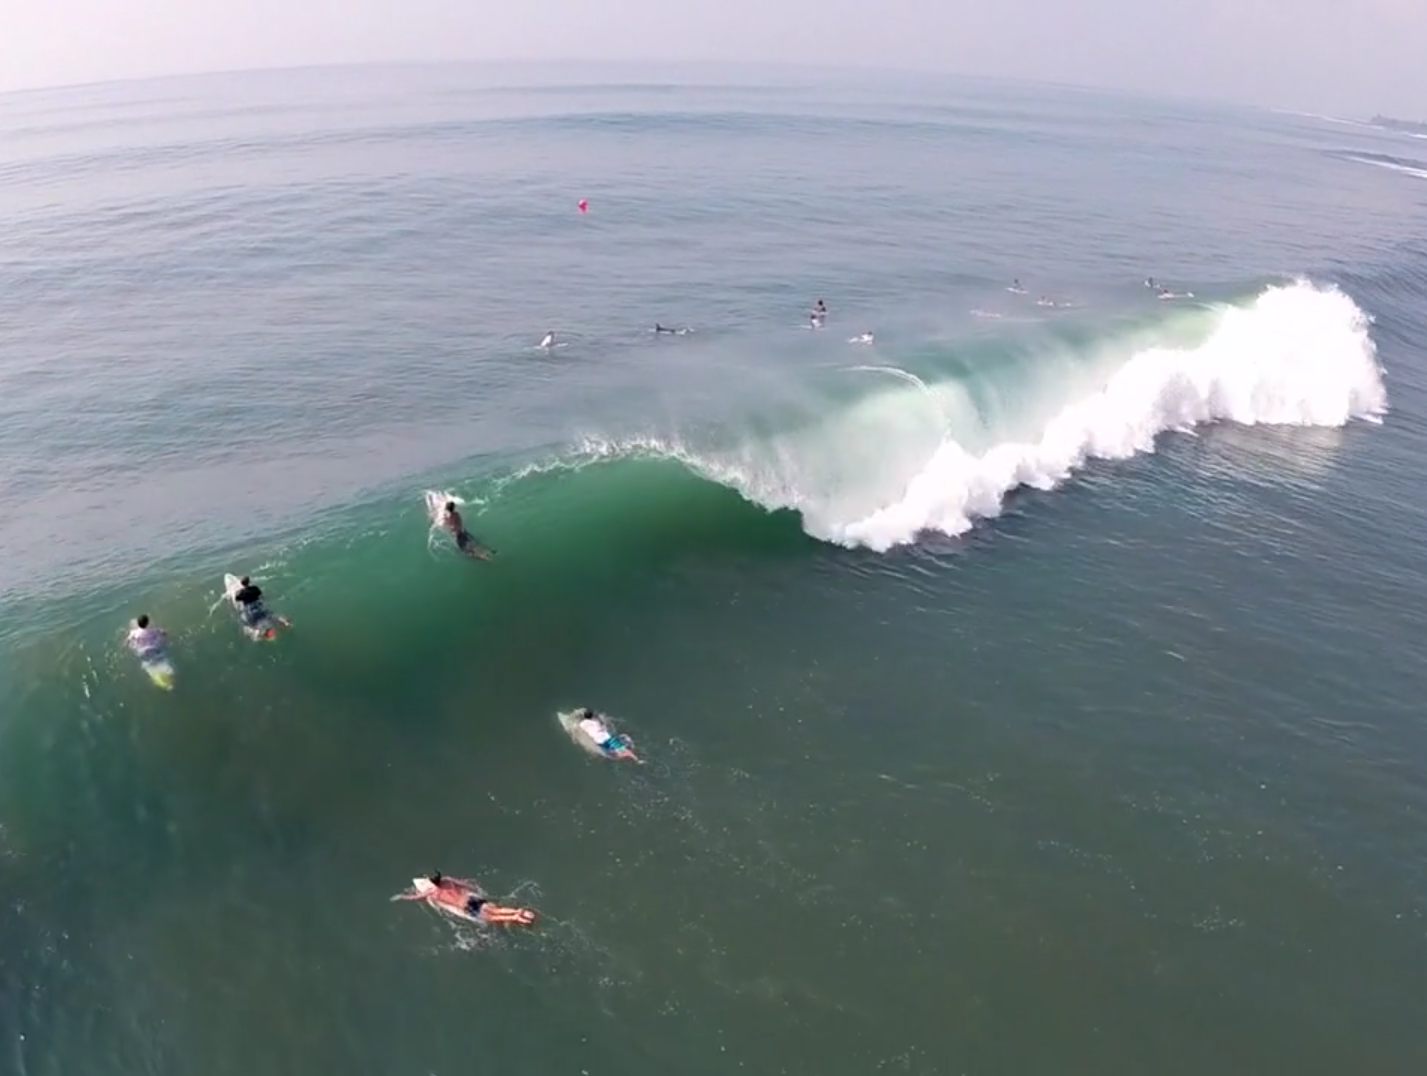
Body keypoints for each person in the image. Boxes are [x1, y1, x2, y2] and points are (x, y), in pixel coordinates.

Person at [396, 873, 537, 926]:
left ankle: (516, 918)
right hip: (470, 899)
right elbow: (464, 884)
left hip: (465, 907)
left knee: (491, 918)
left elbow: (416, 897)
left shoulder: (431, 892)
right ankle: (517, 911)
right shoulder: (447, 879)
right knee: (496, 909)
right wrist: (473, 886)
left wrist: (402, 896)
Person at [575, 707, 640, 762]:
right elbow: (602, 729)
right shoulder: (595, 722)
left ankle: (620, 756)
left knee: (612, 751)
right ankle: (637, 760)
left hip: (598, 741)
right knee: (624, 748)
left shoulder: (581, 724)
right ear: (592, 716)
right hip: (606, 738)